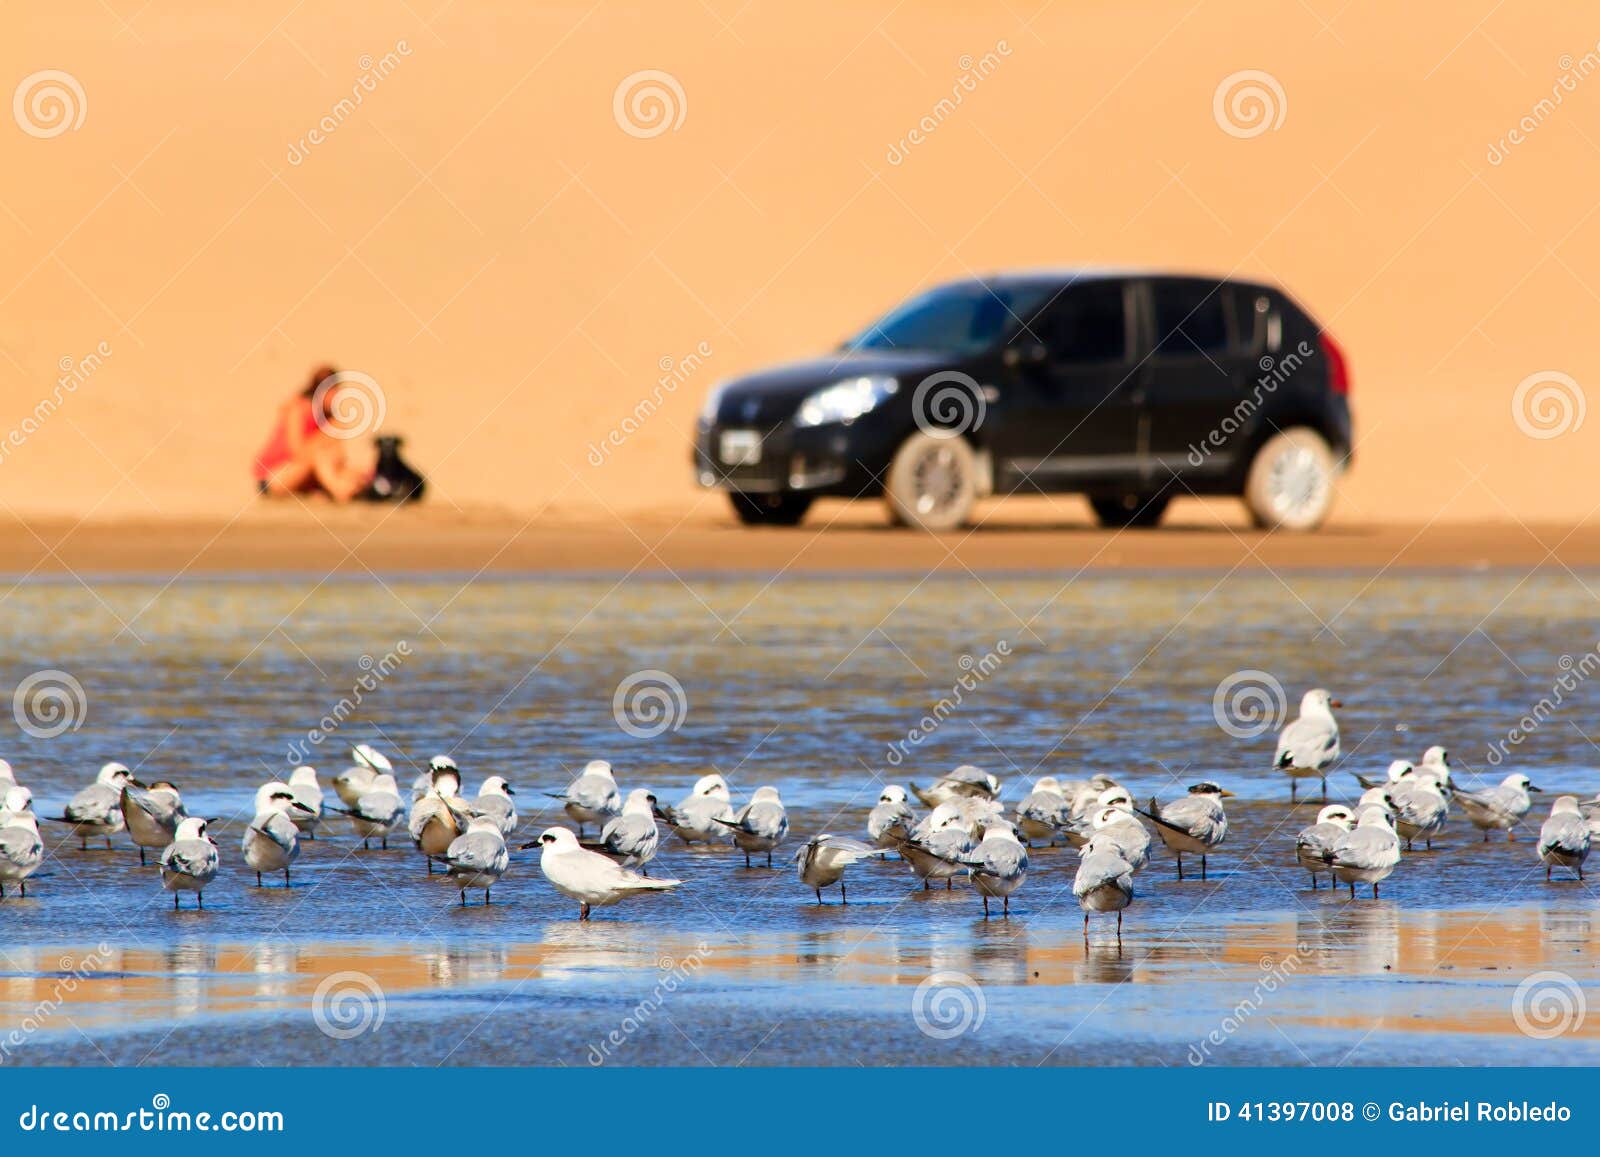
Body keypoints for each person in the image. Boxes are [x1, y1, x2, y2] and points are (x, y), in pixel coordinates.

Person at [253, 366, 375, 501]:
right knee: (320, 456)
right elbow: (298, 452)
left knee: (348, 470)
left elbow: (337, 456)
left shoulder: (328, 418)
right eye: (332, 392)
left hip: (306, 473)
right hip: (275, 475)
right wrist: (328, 433)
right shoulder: (299, 409)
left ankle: (349, 488)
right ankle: (340, 491)